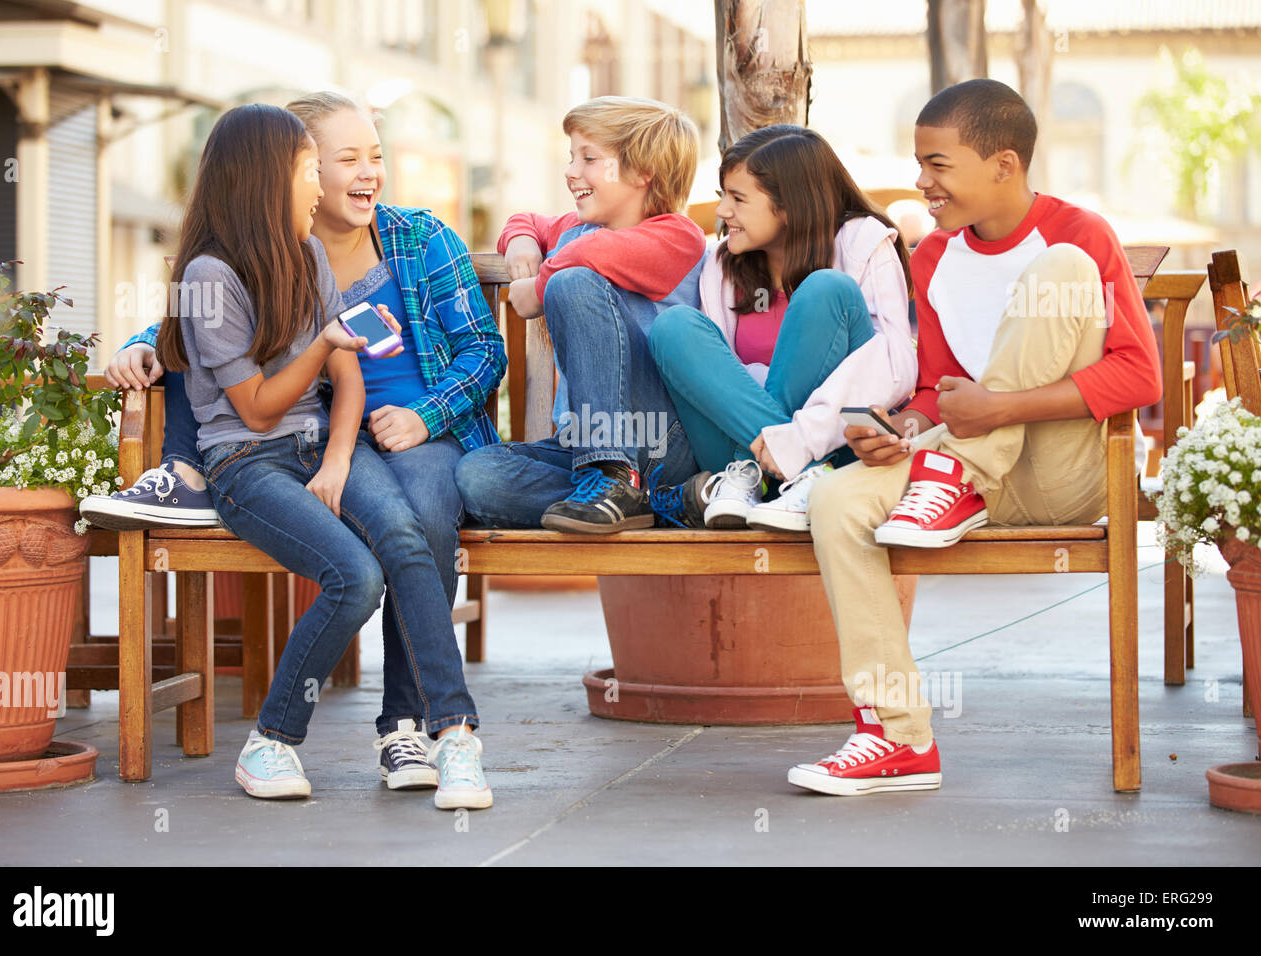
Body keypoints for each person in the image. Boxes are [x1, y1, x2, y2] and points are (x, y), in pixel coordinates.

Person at [787, 79, 1161, 796]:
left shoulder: (1078, 238)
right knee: (838, 500)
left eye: (937, 164)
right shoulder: (930, 260)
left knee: (1063, 271)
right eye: (919, 164)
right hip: (952, 482)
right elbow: (938, 389)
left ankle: (959, 476)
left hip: (1060, 473)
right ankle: (896, 737)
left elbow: (1140, 378)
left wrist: (997, 410)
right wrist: (903, 430)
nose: (921, 182)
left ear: (1004, 166)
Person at [121, 102, 496, 808]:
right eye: (312, 170)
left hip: (324, 446)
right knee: (354, 575)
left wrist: (336, 461)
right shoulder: (208, 275)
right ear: (273, 178)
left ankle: (454, 736)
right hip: (248, 463)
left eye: (372, 155)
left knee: (408, 539)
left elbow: (349, 378)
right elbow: (257, 405)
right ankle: (272, 740)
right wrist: (138, 344)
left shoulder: (311, 254)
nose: (326, 186)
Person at [645, 124, 916, 531]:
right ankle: (774, 474)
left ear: (789, 205)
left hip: (837, 451)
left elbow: (895, 366)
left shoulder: (861, 242)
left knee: (826, 289)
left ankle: (803, 470)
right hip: (738, 477)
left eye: (738, 199)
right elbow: (722, 386)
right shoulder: (722, 263)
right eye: (723, 197)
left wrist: (801, 439)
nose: (722, 212)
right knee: (674, 327)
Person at [453, 96, 706, 532]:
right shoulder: (578, 228)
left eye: (589, 158)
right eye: (572, 157)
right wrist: (521, 241)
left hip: (661, 438)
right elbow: (527, 219)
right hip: (579, 447)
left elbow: (592, 255)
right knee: (475, 475)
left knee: (575, 281)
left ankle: (616, 477)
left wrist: (540, 282)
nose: (572, 172)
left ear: (644, 171)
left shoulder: (677, 235)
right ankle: (653, 500)